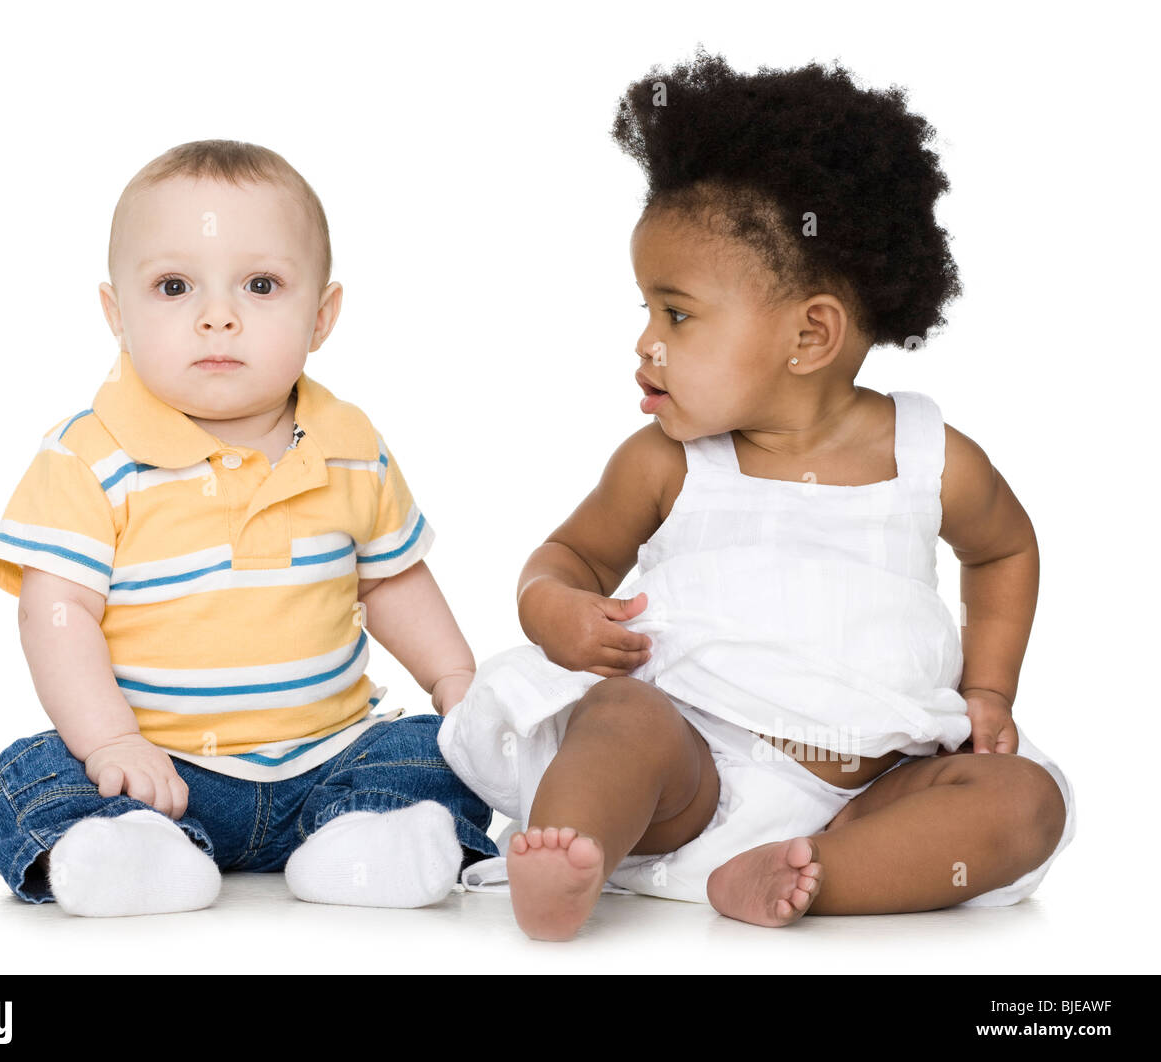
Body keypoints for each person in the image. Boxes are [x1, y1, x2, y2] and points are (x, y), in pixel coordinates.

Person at [437, 51, 1074, 941]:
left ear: (809, 335)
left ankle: (820, 872)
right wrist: (558, 611)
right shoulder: (670, 462)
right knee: (620, 717)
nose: (644, 345)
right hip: (695, 774)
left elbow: (1004, 550)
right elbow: (569, 556)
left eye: (677, 315)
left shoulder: (932, 457)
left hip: (876, 788)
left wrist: (991, 692)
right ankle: (568, 851)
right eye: (645, 313)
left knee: (1023, 803)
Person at [0, 139, 498, 917]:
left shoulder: (350, 445)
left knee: (430, 751)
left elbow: (391, 578)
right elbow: (56, 612)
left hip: (329, 757)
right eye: (174, 286)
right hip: (159, 772)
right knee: (38, 770)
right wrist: (113, 743)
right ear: (117, 314)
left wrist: (456, 682)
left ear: (321, 316)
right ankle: (133, 853)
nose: (217, 316)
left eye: (260, 285)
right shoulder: (89, 456)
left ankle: (364, 841)